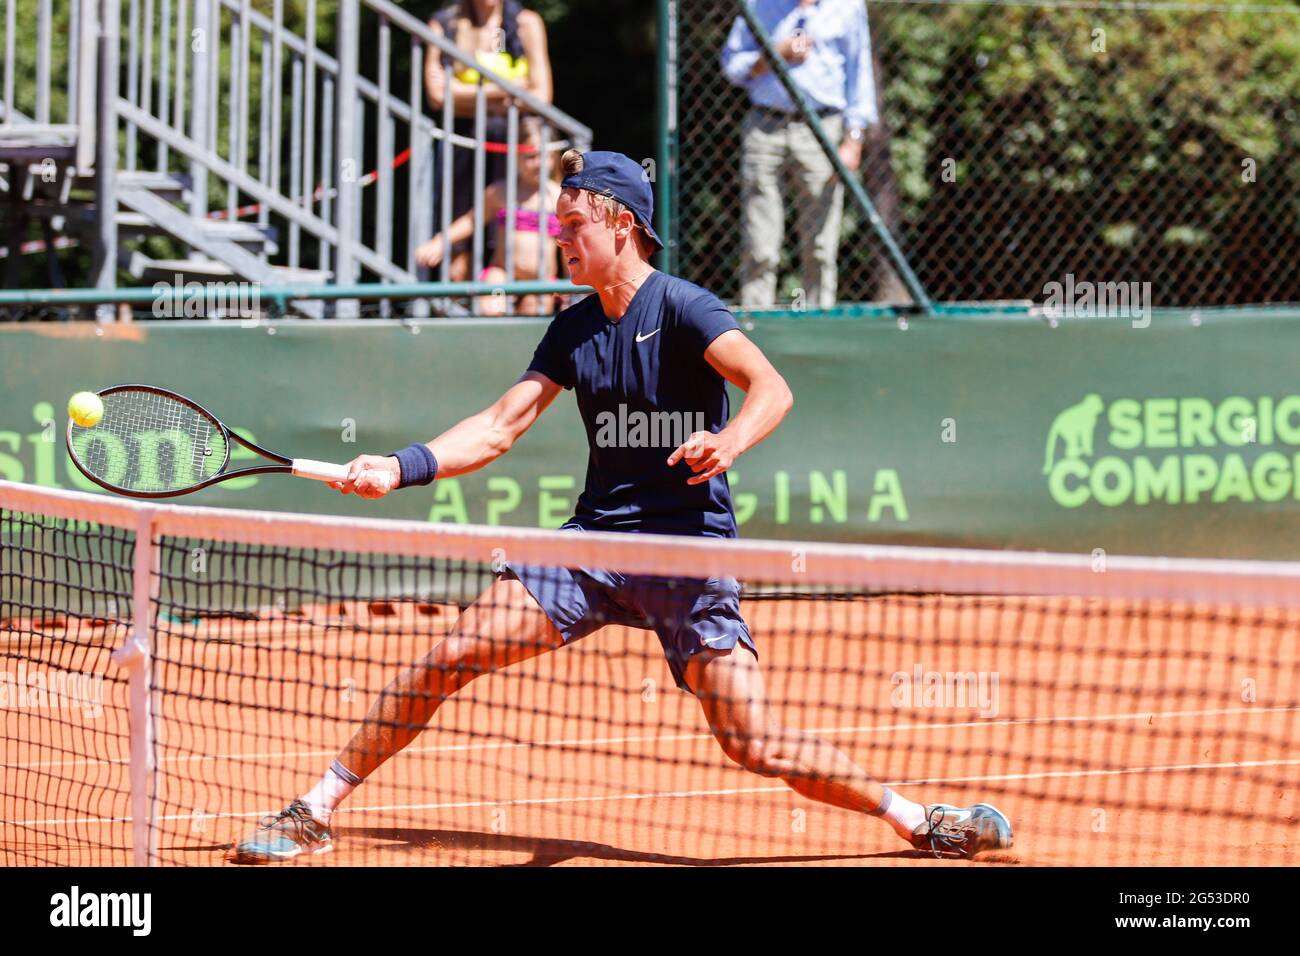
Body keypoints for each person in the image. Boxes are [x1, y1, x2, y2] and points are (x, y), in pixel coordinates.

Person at [230, 150, 1012, 864]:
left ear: (620, 224)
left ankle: (917, 820)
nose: (560, 241)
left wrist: (731, 441)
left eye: (572, 227)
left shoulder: (684, 308)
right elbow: (501, 425)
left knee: (755, 740)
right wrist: (400, 467)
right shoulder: (572, 328)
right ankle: (316, 809)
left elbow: (771, 387)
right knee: (451, 653)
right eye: (560, 228)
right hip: (595, 543)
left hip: (691, 551)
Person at [720, 0, 877, 309]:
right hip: (766, 124)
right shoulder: (758, 5)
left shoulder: (848, 7)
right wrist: (774, 56)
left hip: (824, 128)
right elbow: (732, 66)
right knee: (759, 241)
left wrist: (853, 140)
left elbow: (861, 76)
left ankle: (820, 322)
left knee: (820, 243)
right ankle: (756, 321)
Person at [426, 0, 554, 282]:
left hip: (512, 149)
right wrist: (508, 91)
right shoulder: (444, 23)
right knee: (458, 250)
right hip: (463, 145)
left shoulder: (526, 23)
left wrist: (462, 91)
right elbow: (436, 96)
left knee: (506, 241)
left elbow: (542, 94)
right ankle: (455, 313)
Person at [414, 117, 563, 315]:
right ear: (515, 156)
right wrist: (440, 242)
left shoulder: (558, 197)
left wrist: (571, 284)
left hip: (542, 279)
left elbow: (570, 242)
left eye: (544, 156)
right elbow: (471, 220)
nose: (538, 163)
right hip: (502, 272)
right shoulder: (502, 192)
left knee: (535, 315)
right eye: (530, 156)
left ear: (554, 157)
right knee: (491, 303)